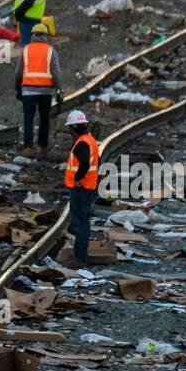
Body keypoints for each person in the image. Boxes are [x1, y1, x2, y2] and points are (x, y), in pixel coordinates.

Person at [14, 22, 60, 156]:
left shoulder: (26, 49)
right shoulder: (51, 51)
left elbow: (18, 72)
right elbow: (56, 73)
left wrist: (17, 87)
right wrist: (59, 89)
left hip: (28, 90)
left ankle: (28, 147)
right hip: (46, 91)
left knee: (29, 118)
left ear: (33, 35)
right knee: (44, 118)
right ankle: (43, 147)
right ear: (46, 36)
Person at [63, 109, 100, 264]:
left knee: (80, 223)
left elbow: (84, 163)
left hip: (81, 188)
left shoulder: (81, 144)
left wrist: (78, 179)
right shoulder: (90, 140)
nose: (69, 131)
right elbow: (99, 162)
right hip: (89, 187)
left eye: (70, 128)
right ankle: (80, 255)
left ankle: (80, 257)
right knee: (82, 221)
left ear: (74, 128)